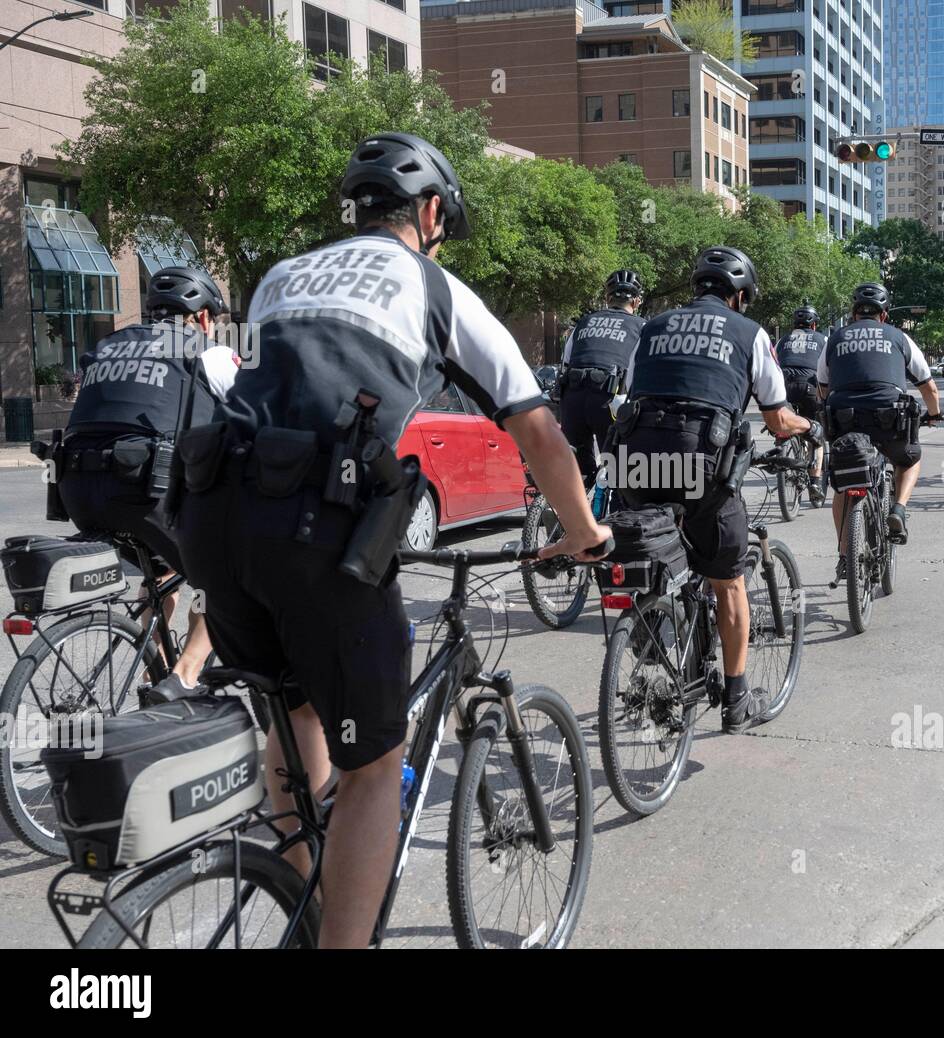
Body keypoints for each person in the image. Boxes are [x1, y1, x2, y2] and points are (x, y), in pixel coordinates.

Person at [175, 132, 610, 949]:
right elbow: (539, 432)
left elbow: (255, 384)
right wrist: (585, 534)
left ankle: (304, 893)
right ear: (433, 212)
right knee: (376, 762)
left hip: (216, 517)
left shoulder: (280, 277)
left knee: (295, 707)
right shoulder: (433, 286)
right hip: (317, 526)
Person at [617, 245, 816, 733]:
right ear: (740, 296)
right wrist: (810, 428)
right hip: (702, 465)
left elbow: (626, 395)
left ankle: (652, 615)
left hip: (633, 461)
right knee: (727, 581)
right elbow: (777, 417)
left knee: (657, 540)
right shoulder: (750, 334)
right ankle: (736, 698)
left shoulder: (652, 328)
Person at [58, 266, 238, 701]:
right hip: (146, 488)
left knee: (161, 568)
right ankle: (186, 677)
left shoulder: (107, 347)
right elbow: (256, 414)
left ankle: (151, 667)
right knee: (229, 577)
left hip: (78, 490)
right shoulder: (210, 353)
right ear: (201, 317)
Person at [815, 282, 942, 556]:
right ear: (884, 315)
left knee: (844, 483)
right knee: (909, 459)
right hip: (889, 417)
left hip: (843, 419)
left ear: (853, 313)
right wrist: (933, 414)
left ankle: (844, 553)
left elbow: (822, 386)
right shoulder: (899, 337)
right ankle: (898, 509)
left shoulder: (835, 339)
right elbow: (928, 387)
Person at [557, 270, 645, 482]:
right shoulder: (642, 327)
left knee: (578, 469)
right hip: (609, 401)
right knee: (619, 470)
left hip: (572, 399)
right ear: (637, 301)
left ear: (607, 298)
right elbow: (640, 370)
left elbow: (565, 363)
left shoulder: (584, 322)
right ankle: (615, 508)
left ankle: (568, 507)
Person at [774, 305, 828, 505]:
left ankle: (785, 444)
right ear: (814, 325)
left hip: (784, 386)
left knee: (787, 425)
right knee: (817, 433)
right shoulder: (822, 339)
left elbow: (774, 363)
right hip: (809, 387)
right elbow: (828, 366)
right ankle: (815, 481)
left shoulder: (783, 340)